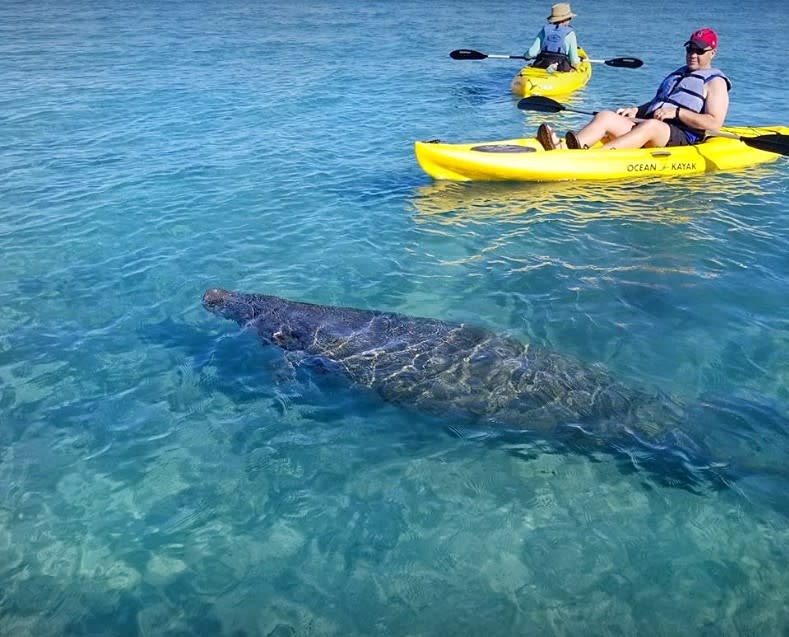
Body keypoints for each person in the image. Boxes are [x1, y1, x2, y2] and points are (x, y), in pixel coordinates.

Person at [536, 28, 730, 151]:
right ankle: (563, 148)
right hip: (652, 126)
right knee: (606, 116)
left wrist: (677, 113)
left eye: (699, 51)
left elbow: (714, 123)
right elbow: (662, 103)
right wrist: (637, 110)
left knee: (651, 126)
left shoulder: (715, 82)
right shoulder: (680, 73)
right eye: (690, 49)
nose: (693, 55)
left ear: (712, 53)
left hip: (683, 136)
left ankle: (595, 158)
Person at [525, 3, 582, 72]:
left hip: (541, 64)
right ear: (565, 19)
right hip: (561, 66)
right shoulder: (570, 33)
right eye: (569, 18)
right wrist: (580, 61)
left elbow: (531, 53)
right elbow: (574, 61)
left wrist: (526, 57)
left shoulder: (544, 30)